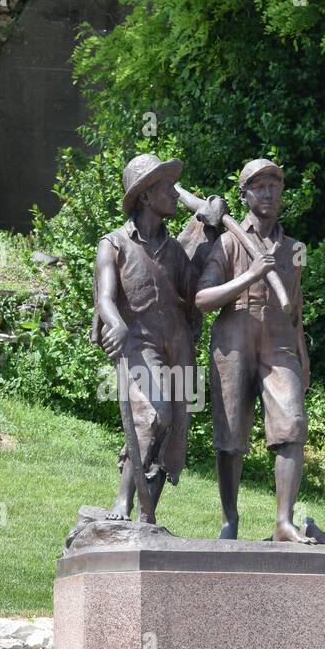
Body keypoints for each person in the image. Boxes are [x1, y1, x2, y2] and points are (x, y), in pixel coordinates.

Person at [194, 158, 313, 543]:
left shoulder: (296, 249)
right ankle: (230, 518)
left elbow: (296, 306)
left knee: (292, 424)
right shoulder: (229, 241)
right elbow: (202, 299)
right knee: (230, 434)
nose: (268, 193)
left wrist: (302, 355)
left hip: (279, 340)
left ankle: (284, 522)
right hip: (234, 337)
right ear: (244, 194)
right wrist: (250, 275)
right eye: (259, 186)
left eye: (274, 186)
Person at [91, 153, 199, 523]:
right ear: (147, 197)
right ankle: (123, 499)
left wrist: (210, 225)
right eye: (166, 188)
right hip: (138, 341)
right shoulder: (114, 243)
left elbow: (195, 293)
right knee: (155, 414)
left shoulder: (174, 250)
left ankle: (147, 512)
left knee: (175, 426)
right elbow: (105, 297)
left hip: (178, 344)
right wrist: (114, 322)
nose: (173, 194)